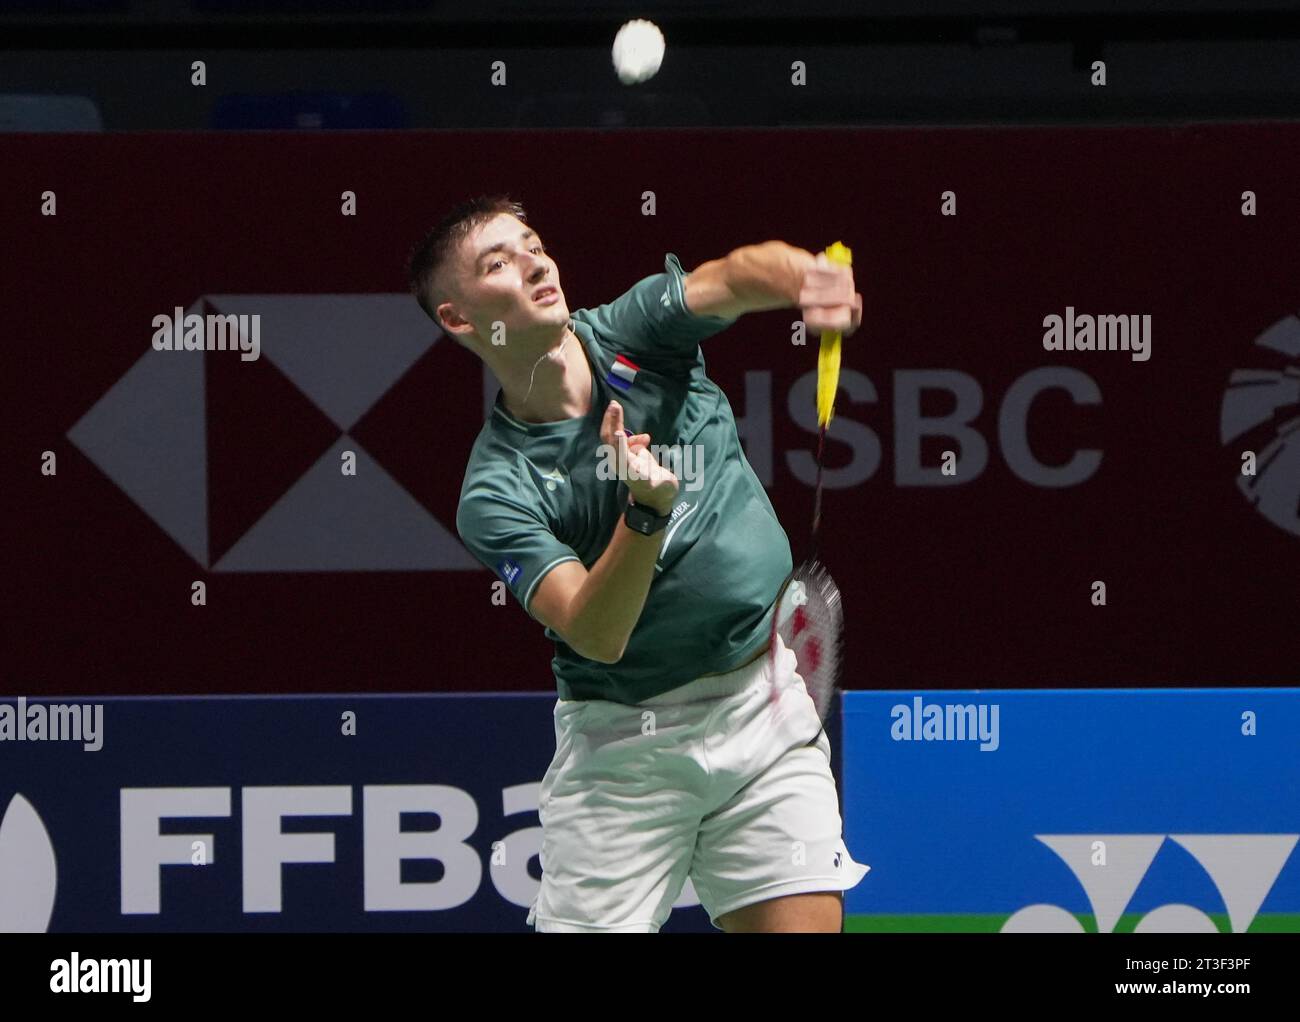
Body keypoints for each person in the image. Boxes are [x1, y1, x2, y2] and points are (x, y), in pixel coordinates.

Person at [407, 194, 868, 932]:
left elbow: (730, 278)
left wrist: (806, 278)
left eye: (533, 243)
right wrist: (644, 515)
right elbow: (594, 633)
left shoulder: (634, 331)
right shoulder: (497, 491)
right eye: (499, 262)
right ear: (460, 319)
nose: (533, 262)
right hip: (623, 754)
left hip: (763, 706)